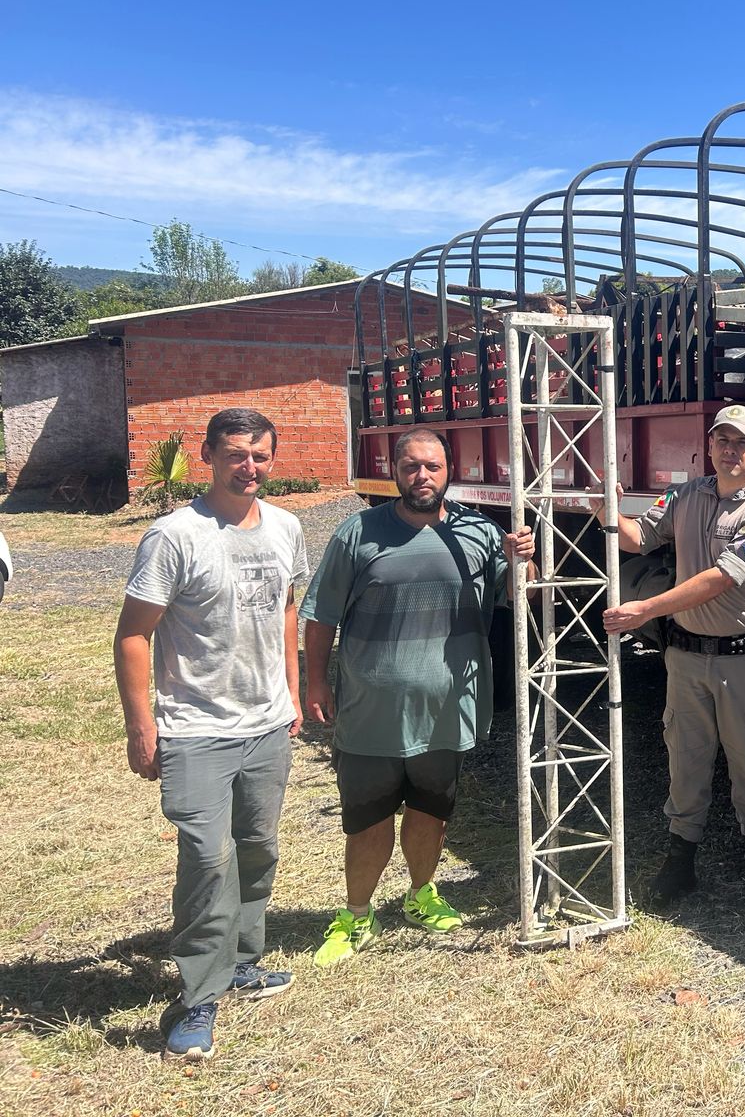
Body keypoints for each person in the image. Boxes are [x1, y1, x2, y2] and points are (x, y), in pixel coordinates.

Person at [113, 408, 308, 1063]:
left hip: (266, 724)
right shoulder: (174, 536)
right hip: (194, 728)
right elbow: (133, 634)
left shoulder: (286, 527)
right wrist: (142, 726)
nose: (248, 466)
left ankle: (241, 964)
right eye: (234, 454)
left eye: (259, 455)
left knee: (258, 850)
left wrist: (291, 689)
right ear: (208, 456)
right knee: (205, 860)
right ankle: (198, 995)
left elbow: (286, 609)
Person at [302, 427, 533, 966]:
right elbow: (321, 615)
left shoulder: (479, 533)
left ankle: (421, 894)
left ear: (451, 470)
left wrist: (523, 558)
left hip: (447, 710)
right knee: (366, 818)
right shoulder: (357, 533)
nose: (422, 476)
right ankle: (356, 915)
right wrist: (315, 682)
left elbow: (523, 596)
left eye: (432, 466)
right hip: (370, 709)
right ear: (394, 471)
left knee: (432, 810)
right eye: (411, 467)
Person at [595, 403, 745, 907]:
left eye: (740, 442)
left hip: (742, 660)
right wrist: (608, 513)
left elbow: (721, 578)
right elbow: (641, 538)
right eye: (721, 440)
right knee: (685, 760)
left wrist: (646, 609)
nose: (729, 450)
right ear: (709, 446)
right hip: (684, 660)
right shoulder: (683, 494)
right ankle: (679, 865)